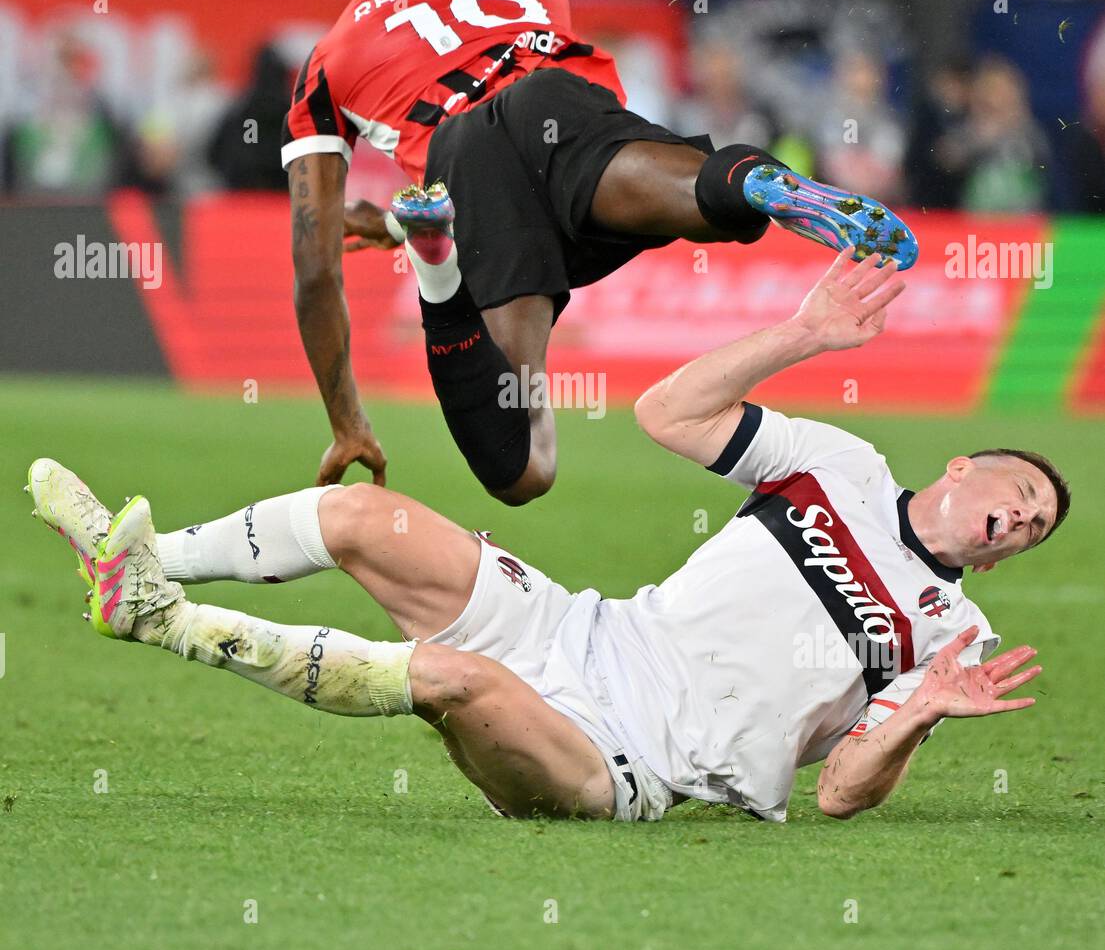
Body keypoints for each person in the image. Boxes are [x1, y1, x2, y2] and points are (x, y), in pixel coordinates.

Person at [29, 251, 1065, 824]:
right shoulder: (841, 467)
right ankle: (141, 566)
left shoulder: (948, 636)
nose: (1021, 516)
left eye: (1036, 527)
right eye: (1021, 489)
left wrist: (917, 713)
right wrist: (799, 335)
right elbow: (668, 414)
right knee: (362, 516)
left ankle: (168, 624)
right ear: (964, 464)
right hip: (584, 631)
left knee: (452, 678)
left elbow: (839, 795)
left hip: (629, 759)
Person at [281, 0, 918, 507]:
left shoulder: (328, 60)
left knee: (520, 466)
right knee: (695, 200)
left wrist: (346, 421)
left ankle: (436, 262)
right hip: (557, 101)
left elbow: (316, 268)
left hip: (463, 158)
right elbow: (516, 114)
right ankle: (756, 181)